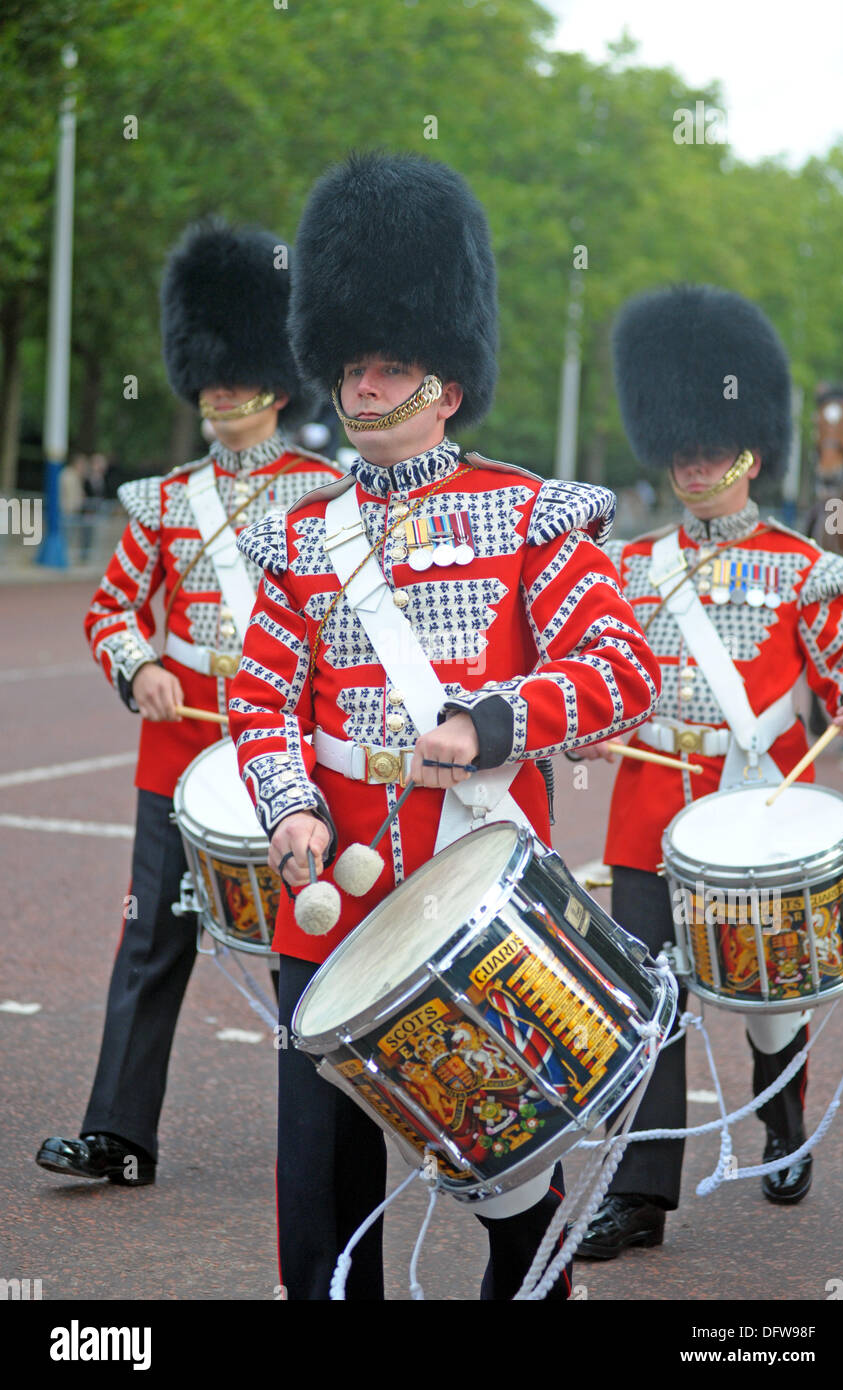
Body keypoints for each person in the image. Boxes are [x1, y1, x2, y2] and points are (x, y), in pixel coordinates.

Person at [228, 152, 662, 1300]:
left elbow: (624, 669)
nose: (360, 390)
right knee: (320, 1174)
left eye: (388, 370)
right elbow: (259, 696)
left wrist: (490, 720)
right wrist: (288, 811)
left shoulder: (530, 513)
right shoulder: (299, 536)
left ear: (446, 386)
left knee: (508, 1160)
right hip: (335, 891)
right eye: (351, 370)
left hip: (476, 880)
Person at [35, 217, 341, 1187]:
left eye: (234, 372)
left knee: (322, 939)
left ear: (274, 380)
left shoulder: (326, 493)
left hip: (287, 754)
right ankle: (119, 1133)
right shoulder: (163, 500)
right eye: (205, 373)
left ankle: (341, 1139)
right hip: (178, 756)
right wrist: (138, 669)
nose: (217, 390)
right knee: (151, 940)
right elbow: (113, 608)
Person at [575, 284, 843, 1260]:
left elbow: (842, 669)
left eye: (713, 447)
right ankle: (640, 1194)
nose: (696, 463)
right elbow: (604, 678)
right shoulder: (626, 569)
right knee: (644, 1002)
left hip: (760, 814)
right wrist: (581, 724)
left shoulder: (800, 567)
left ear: (750, 452)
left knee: (767, 998)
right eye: (684, 448)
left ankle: (781, 1121)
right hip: (647, 809)